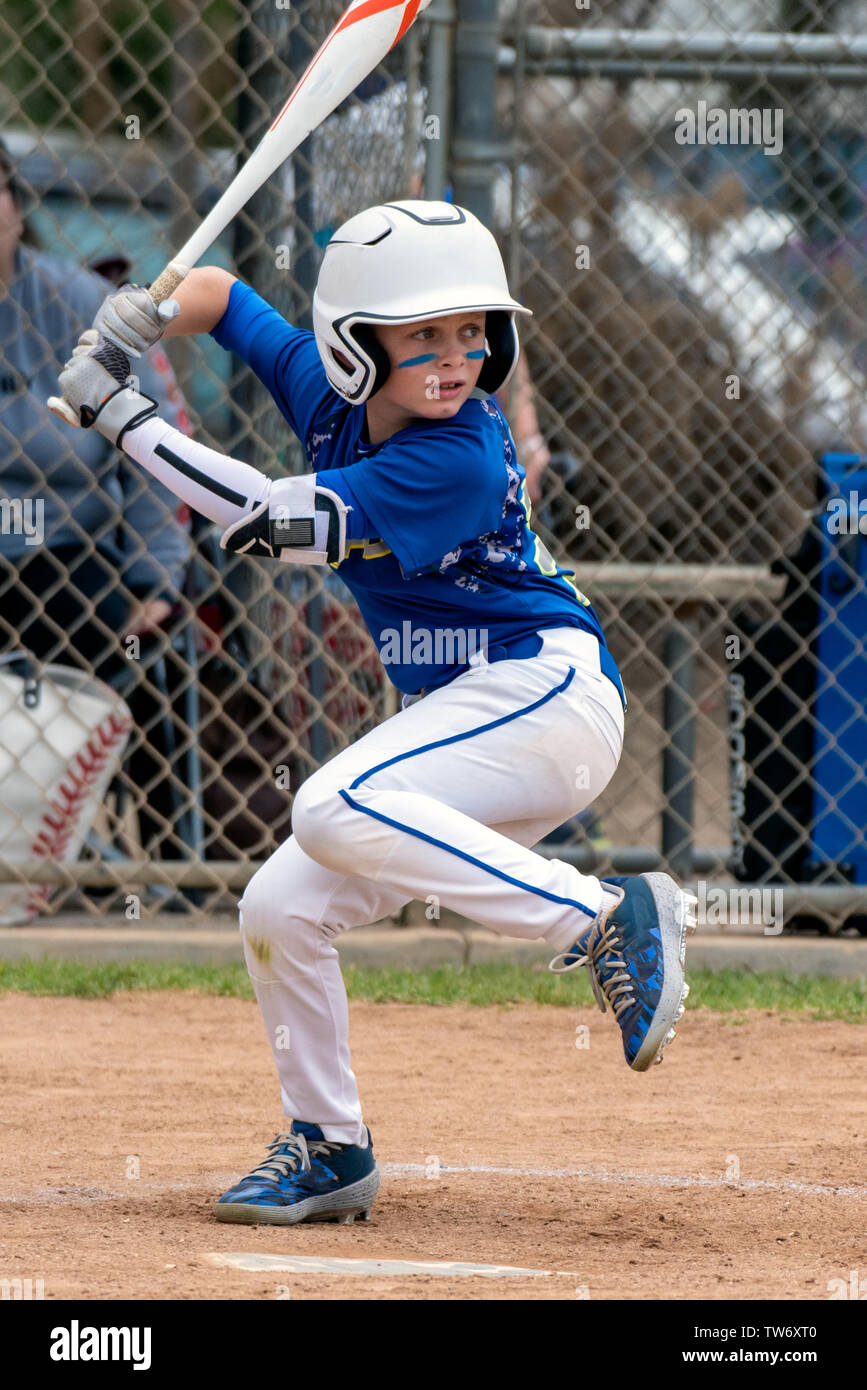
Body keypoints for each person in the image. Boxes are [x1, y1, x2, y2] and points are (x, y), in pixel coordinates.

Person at [53, 199, 696, 1227]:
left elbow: (268, 519)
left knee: (330, 800)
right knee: (280, 906)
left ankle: (603, 918)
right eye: (424, 335)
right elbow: (224, 298)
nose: (456, 357)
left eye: (472, 332)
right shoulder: (324, 390)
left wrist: (124, 417)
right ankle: (329, 1145)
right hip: (483, 715)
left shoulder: (461, 456)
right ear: (353, 348)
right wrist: (139, 312)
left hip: (546, 692)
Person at [0, 139, 192, 865]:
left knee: (141, 648)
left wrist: (154, 574)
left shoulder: (76, 300)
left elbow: (149, 446)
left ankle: (179, 867)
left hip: (69, 551)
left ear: (17, 207)